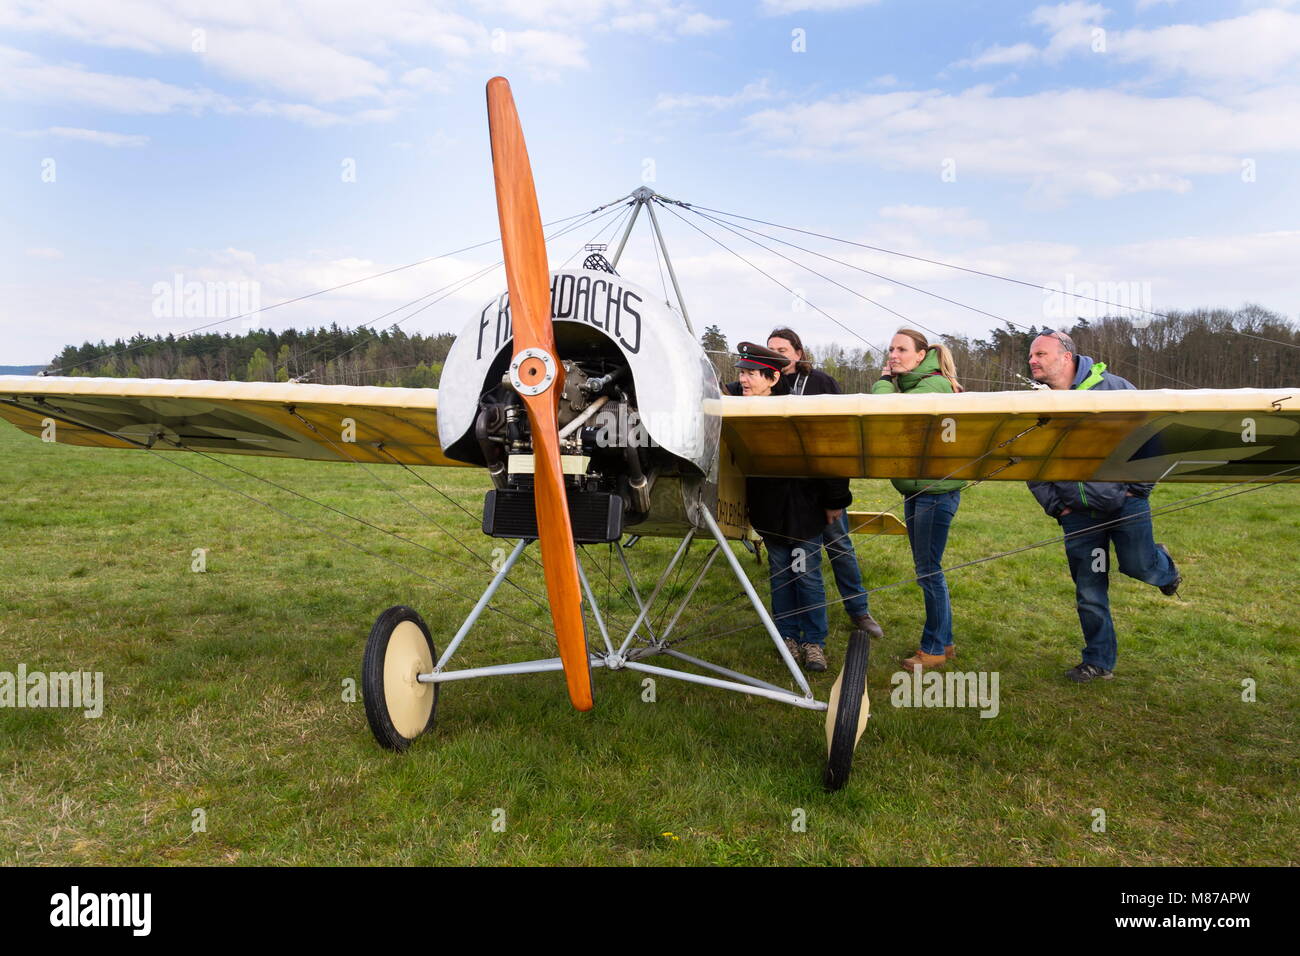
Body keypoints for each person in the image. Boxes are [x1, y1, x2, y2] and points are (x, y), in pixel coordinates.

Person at [1026, 329, 1182, 683]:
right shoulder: (1038, 404)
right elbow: (1030, 462)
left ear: (1066, 356)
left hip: (1125, 505)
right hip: (1077, 514)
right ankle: (1098, 661)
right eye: (1031, 356)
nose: (1032, 361)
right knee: (1089, 591)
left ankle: (1166, 569)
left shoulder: (1115, 389)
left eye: (1040, 354)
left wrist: (1137, 490)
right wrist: (1058, 507)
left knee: (1140, 567)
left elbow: (1152, 440)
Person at [733, 341, 851, 673]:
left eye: (751, 374)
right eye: (741, 373)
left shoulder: (796, 411)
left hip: (804, 511)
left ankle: (814, 642)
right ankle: (787, 637)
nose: (743, 380)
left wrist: (834, 501)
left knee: (807, 577)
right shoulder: (742, 406)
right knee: (781, 575)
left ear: (771, 379)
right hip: (768, 512)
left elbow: (830, 454)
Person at [765, 327, 884, 640]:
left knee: (840, 547)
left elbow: (839, 438)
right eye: (770, 350)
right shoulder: (765, 384)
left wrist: (835, 498)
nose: (776, 356)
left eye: (782, 350)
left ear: (798, 353)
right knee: (791, 562)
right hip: (786, 495)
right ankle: (792, 626)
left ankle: (858, 609)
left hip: (823, 489)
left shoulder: (820, 382)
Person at [870, 329, 965, 673]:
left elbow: (885, 410)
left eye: (901, 349)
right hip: (918, 491)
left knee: (929, 572)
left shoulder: (933, 386)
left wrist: (883, 381)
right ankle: (946, 640)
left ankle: (934, 648)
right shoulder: (915, 386)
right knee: (929, 569)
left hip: (934, 493)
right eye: (890, 349)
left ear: (921, 355)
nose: (893, 355)